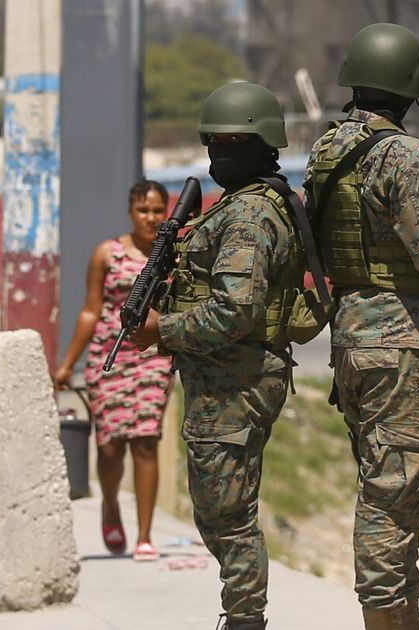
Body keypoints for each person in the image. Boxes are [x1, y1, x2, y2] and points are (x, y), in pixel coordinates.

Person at [304, 24, 419, 630]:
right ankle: (384, 618)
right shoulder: (401, 152)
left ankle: (405, 616)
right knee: (390, 496)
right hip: (397, 338)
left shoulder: (326, 150)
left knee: (390, 486)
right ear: (407, 88)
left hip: (351, 334)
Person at [134, 82, 306, 630]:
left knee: (227, 516)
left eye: (234, 143)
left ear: (262, 146)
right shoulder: (242, 205)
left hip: (236, 383)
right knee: (220, 512)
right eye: (215, 142)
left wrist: (165, 329)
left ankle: (244, 619)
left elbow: (234, 313)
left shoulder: (250, 216)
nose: (221, 155)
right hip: (225, 379)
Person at [52, 179, 175, 562]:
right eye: (143, 210)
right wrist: (68, 362)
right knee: (109, 448)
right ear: (130, 211)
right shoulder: (107, 254)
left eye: (158, 210)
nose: (151, 218)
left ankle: (145, 535)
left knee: (145, 440)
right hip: (109, 355)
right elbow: (91, 310)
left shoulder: (174, 255)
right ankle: (109, 503)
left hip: (154, 355)